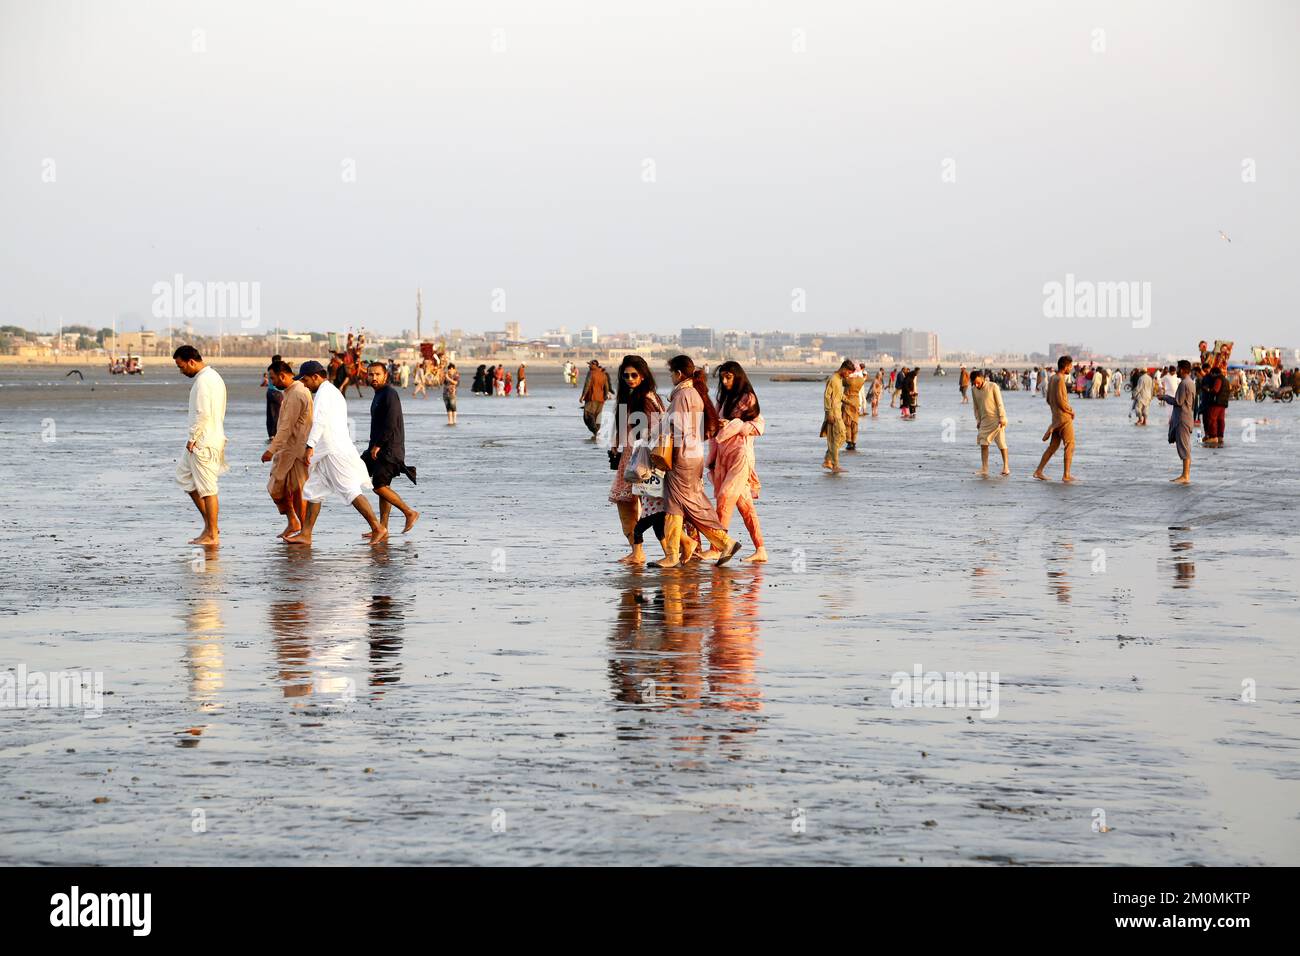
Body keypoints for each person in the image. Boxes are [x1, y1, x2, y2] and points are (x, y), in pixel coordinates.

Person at [651, 355, 742, 568]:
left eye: (671, 373)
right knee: (676, 504)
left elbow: (679, 428)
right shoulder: (694, 393)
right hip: (693, 454)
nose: (671, 377)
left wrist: (659, 434)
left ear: (679, 374)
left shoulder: (684, 394)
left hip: (682, 456)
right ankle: (673, 554)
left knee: (688, 504)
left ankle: (724, 542)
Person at [289, 361, 386, 546]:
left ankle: (377, 527)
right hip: (327, 451)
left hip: (334, 452)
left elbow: (319, 422)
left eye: (306, 379)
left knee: (350, 491)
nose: (304, 384)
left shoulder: (325, 393)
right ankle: (306, 534)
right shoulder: (332, 392)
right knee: (314, 490)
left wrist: (309, 445)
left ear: (316, 377)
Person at [609, 355, 667, 565]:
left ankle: (662, 551)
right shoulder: (635, 396)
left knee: (648, 507)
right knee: (644, 506)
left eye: (634, 375)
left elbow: (657, 430)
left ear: (643, 375)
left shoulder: (645, 399)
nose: (630, 379)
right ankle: (644, 551)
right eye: (626, 376)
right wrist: (616, 441)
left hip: (641, 462)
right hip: (633, 459)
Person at [710, 361, 767, 562]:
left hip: (741, 456)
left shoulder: (748, 398)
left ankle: (718, 547)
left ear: (738, 376)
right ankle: (761, 549)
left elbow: (758, 426)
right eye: (722, 378)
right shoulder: (723, 399)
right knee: (745, 507)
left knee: (725, 497)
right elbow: (714, 430)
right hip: (724, 457)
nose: (725, 382)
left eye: (729, 377)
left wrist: (734, 425)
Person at [173, 345, 228, 545]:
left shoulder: (205, 381)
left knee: (207, 488)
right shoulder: (212, 377)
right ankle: (210, 525)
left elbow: (202, 413)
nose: (181, 371)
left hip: (203, 441)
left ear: (191, 362)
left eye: (181, 366)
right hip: (205, 438)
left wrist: (192, 437)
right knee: (183, 476)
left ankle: (212, 534)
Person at [363, 361, 419, 536]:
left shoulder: (389, 394)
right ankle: (383, 528)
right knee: (382, 485)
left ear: (385, 376)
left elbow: (391, 422)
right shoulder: (378, 394)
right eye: (371, 374)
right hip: (378, 447)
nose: (374, 378)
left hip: (389, 449)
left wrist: (378, 445)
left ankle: (409, 512)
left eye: (377, 374)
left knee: (379, 486)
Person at [260, 359, 312, 539]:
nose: (272, 383)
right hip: (287, 450)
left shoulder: (297, 393)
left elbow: (286, 427)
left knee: (298, 492)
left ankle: (304, 531)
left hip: (296, 451)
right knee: (277, 488)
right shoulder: (291, 392)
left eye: (273, 378)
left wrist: (271, 450)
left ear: (283, 375)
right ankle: (293, 522)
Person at [1033, 354, 1076, 482]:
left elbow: (1048, 399)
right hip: (1064, 418)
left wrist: (1056, 411)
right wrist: (1070, 411)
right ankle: (1066, 475)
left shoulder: (1052, 378)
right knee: (1070, 444)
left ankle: (1038, 471)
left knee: (1053, 446)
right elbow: (1061, 400)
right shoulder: (1060, 379)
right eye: (1071, 366)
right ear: (1066, 366)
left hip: (1056, 418)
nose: (1072, 368)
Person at [1159, 360, 1195, 483]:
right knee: (1185, 446)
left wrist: (1164, 397)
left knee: (1184, 447)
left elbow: (1178, 402)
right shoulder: (1190, 382)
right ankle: (1185, 474)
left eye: (1179, 368)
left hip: (1182, 418)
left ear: (1183, 370)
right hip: (1187, 417)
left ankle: (1185, 476)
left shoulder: (1184, 383)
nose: (1177, 371)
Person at [970, 368, 1009, 476]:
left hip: (997, 420)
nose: (976, 385)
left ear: (982, 378)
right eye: (974, 383)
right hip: (984, 421)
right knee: (983, 444)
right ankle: (984, 468)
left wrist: (1002, 417)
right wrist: (978, 420)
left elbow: (1000, 403)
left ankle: (1006, 466)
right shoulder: (973, 390)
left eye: (978, 382)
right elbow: (976, 407)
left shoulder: (993, 386)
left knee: (1001, 443)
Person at [821, 359, 853, 472]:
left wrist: (848, 401)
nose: (848, 375)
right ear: (844, 369)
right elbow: (827, 396)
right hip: (833, 414)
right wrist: (829, 412)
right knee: (840, 436)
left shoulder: (839, 380)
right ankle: (834, 465)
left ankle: (828, 460)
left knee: (839, 438)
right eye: (848, 372)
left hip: (838, 412)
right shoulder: (833, 379)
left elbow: (838, 396)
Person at [580, 359, 611, 439]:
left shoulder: (591, 373)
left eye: (590, 364)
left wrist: (582, 396)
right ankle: (596, 433)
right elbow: (606, 387)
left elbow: (587, 385)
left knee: (588, 415)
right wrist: (605, 396)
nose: (589, 366)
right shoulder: (603, 374)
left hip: (591, 397)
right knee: (597, 416)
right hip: (601, 399)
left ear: (595, 365)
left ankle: (595, 431)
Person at [1202, 358, 1228, 446]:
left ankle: (1213, 437)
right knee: (1221, 420)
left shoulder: (1218, 379)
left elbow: (1215, 390)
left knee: (1212, 419)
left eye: (1211, 374)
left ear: (1214, 373)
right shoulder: (1225, 380)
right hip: (1223, 403)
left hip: (1216, 403)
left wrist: (1208, 389)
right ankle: (1220, 437)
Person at [842, 363, 865, 451]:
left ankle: (849, 441)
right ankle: (854, 441)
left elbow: (843, 382)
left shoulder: (848, 380)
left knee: (847, 421)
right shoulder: (861, 380)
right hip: (856, 400)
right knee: (855, 422)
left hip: (848, 400)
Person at [264, 354, 285, 439]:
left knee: (270, 414)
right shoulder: (279, 369)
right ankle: (276, 434)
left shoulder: (270, 369)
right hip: (277, 392)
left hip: (269, 392)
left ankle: (271, 434)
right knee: (278, 414)